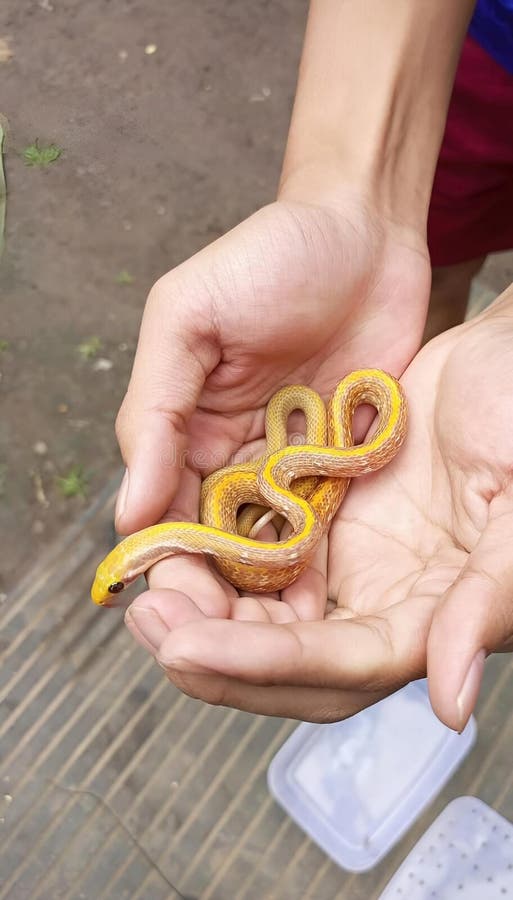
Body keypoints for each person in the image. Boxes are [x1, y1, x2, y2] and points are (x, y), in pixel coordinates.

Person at [115, 0, 513, 732]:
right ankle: (411, 350)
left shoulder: (266, 494)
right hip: (480, 55)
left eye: (121, 585)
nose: (121, 589)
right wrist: (351, 199)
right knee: (427, 260)